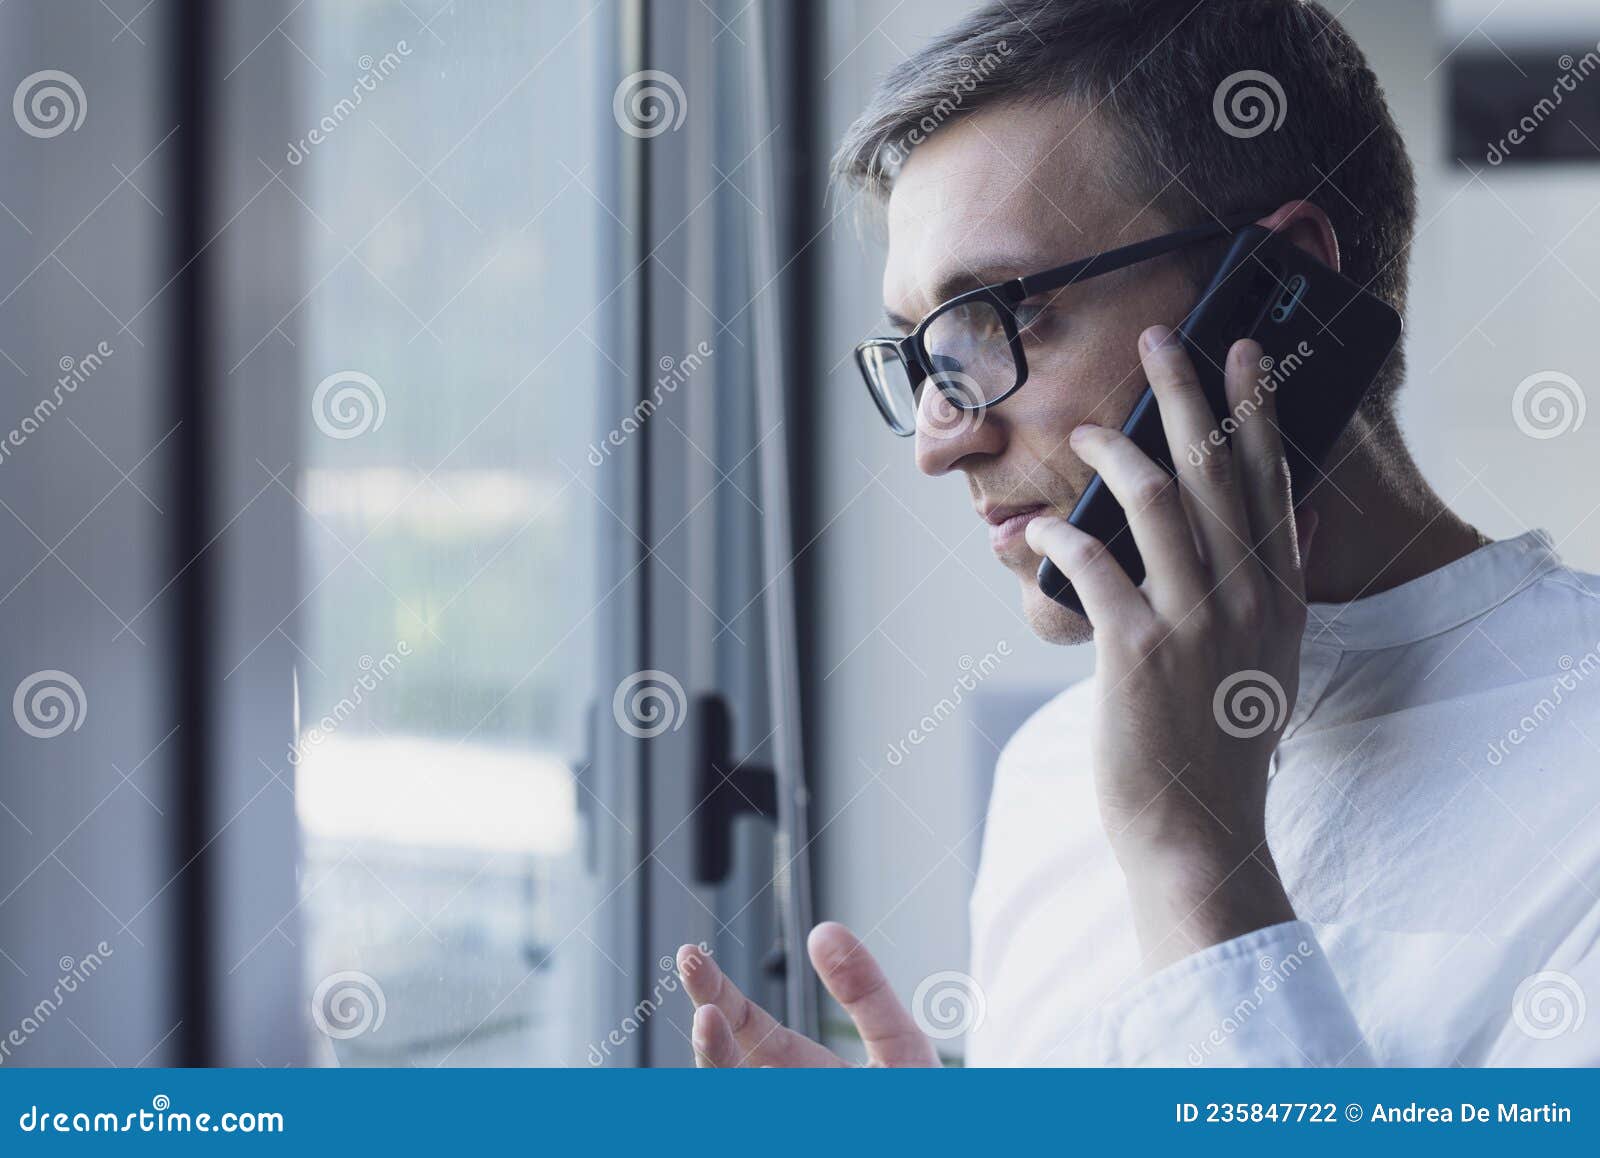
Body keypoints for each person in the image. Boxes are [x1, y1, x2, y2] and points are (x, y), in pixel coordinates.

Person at [675, 0, 1600, 1066]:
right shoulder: (1049, 772)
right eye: (922, 356)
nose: (939, 443)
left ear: (1272, 292)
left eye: (997, 317)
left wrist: (1193, 856)